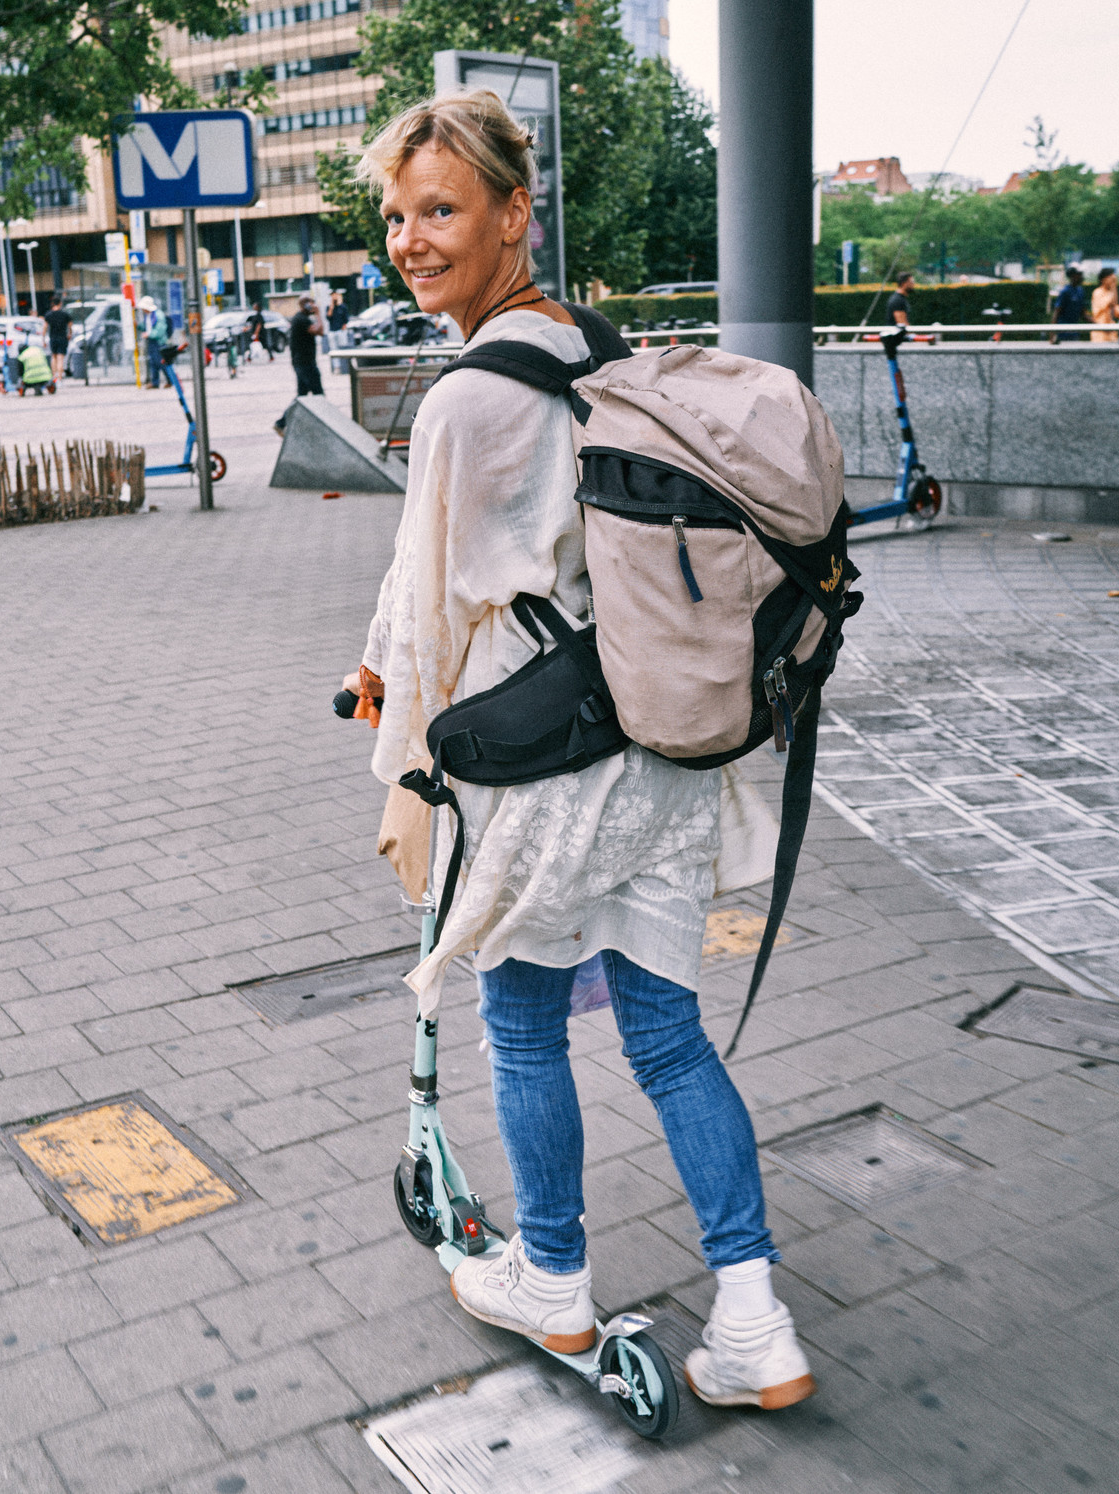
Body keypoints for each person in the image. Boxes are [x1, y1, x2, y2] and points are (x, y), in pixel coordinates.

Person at [340, 88, 816, 1413]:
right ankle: (755, 1319)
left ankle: (552, 1278)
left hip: (541, 769)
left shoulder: (463, 402)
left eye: (440, 209)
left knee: (522, 1018)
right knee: (667, 1031)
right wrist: (381, 657)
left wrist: (407, 780)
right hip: (656, 742)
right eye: (395, 214)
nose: (412, 240)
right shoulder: (603, 352)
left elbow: (434, 606)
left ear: (512, 213)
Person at [272, 292, 324, 436]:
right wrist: (318, 314)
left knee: (302, 396)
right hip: (305, 363)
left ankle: (281, 423)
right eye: (310, 303)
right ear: (305, 304)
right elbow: (320, 331)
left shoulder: (301, 318)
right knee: (318, 395)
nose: (312, 305)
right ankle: (323, 427)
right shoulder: (301, 319)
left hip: (302, 362)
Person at [1050, 265, 1089, 343]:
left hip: (1074, 333)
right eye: (1079, 274)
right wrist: (1052, 334)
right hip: (1063, 333)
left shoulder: (1080, 291)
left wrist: (1099, 325)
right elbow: (1056, 313)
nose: (1081, 277)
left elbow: (1083, 314)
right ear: (1073, 276)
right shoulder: (1065, 292)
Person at [139, 296, 168, 388]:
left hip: (159, 342)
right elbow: (145, 326)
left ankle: (170, 379)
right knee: (153, 362)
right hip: (152, 342)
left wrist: (149, 334)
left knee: (160, 362)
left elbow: (160, 330)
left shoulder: (158, 315)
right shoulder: (148, 316)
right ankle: (155, 382)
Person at [43, 295, 72, 384]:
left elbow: (45, 327)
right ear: (60, 303)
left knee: (53, 357)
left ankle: (54, 377)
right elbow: (70, 326)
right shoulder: (65, 314)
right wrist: (70, 333)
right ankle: (59, 378)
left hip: (53, 338)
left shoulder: (48, 315)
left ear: (52, 304)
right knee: (60, 359)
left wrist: (43, 339)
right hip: (62, 338)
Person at [1091, 267, 1119, 344]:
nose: (1112, 279)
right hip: (1100, 332)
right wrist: (1114, 286)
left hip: (1111, 331)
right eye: (1110, 277)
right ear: (1103, 279)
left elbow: (1115, 308)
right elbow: (1110, 303)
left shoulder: (1110, 292)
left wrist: (1114, 287)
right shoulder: (1097, 292)